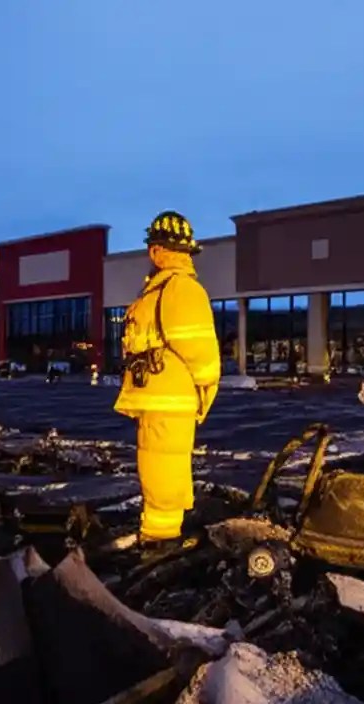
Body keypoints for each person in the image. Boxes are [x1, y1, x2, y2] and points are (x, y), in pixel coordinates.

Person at [114, 211, 221, 557]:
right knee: (159, 465)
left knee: (163, 466)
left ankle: (162, 538)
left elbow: (201, 353)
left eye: (153, 246)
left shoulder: (180, 291)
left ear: (162, 249)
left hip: (168, 399)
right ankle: (159, 531)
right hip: (160, 399)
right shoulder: (162, 289)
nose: (151, 253)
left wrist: (205, 392)